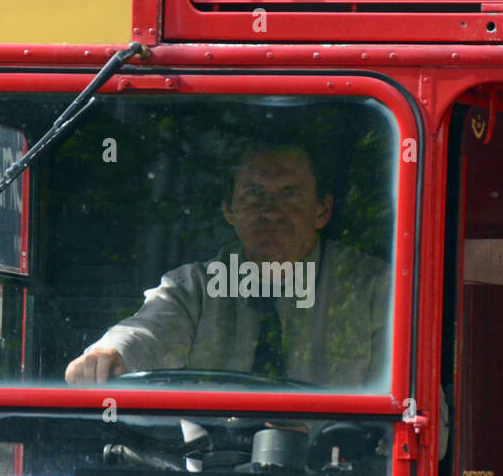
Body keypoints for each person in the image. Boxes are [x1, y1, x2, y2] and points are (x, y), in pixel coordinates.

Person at [63, 143, 391, 388]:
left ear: (322, 210)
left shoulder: (374, 289)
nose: (271, 211)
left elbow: (414, 413)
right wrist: (108, 355)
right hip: (203, 473)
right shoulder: (194, 288)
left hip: (333, 475)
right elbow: (148, 329)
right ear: (229, 210)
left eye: (290, 193)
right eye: (254, 193)